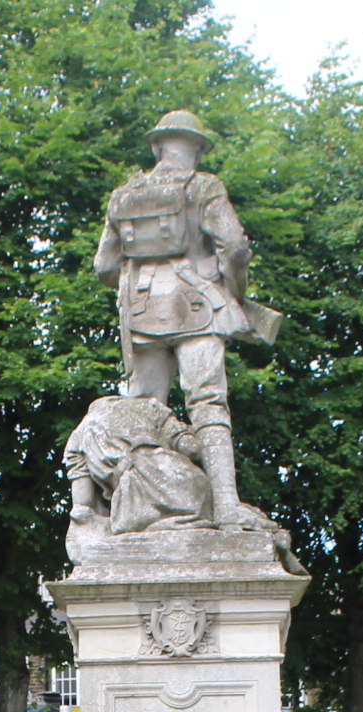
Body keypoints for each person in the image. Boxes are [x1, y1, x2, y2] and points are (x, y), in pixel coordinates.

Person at [93, 110, 280, 525]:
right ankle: (226, 505)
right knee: (208, 404)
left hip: (141, 314)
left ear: (158, 146)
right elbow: (235, 249)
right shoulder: (204, 187)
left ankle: (138, 512)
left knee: (143, 411)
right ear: (197, 148)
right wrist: (234, 294)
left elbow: (104, 266)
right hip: (199, 309)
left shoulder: (124, 195)